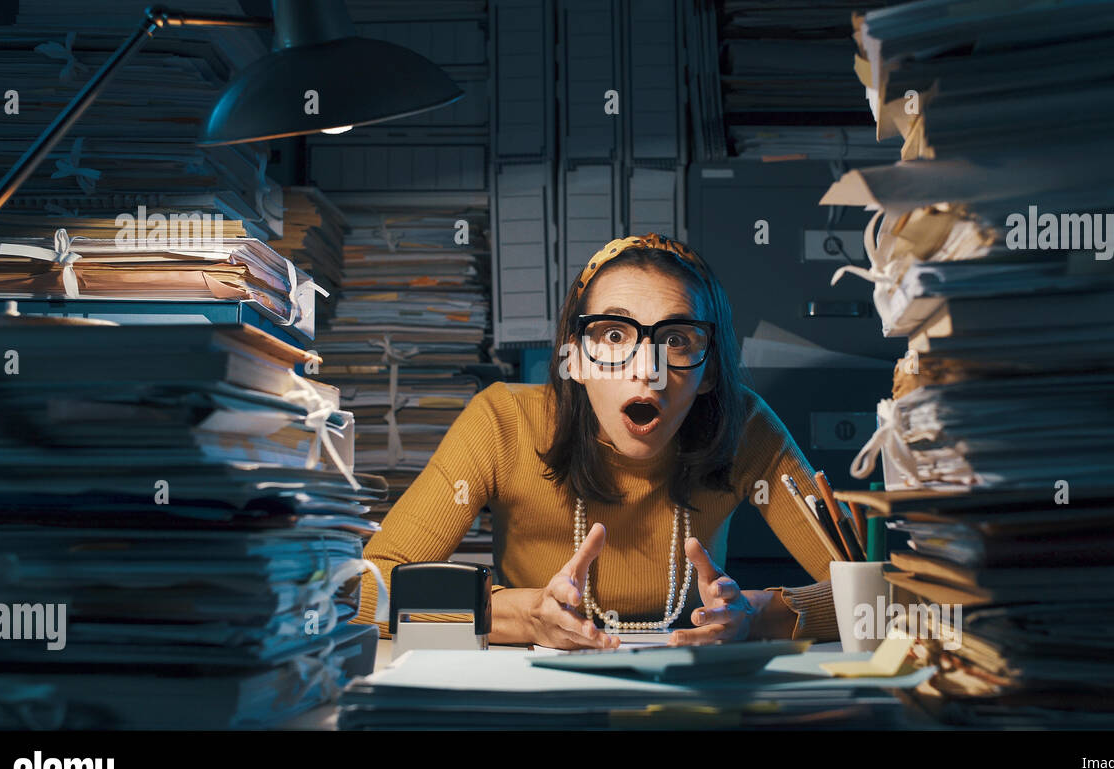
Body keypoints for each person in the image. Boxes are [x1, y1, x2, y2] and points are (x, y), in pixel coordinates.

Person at [356, 233, 840, 649]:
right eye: (612, 334)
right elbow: (367, 588)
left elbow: (888, 593)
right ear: (577, 359)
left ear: (710, 370)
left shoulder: (745, 428)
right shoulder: (503, 421)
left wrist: (757, 616)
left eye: (676, 340)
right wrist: (523, 615)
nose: (645, 371)